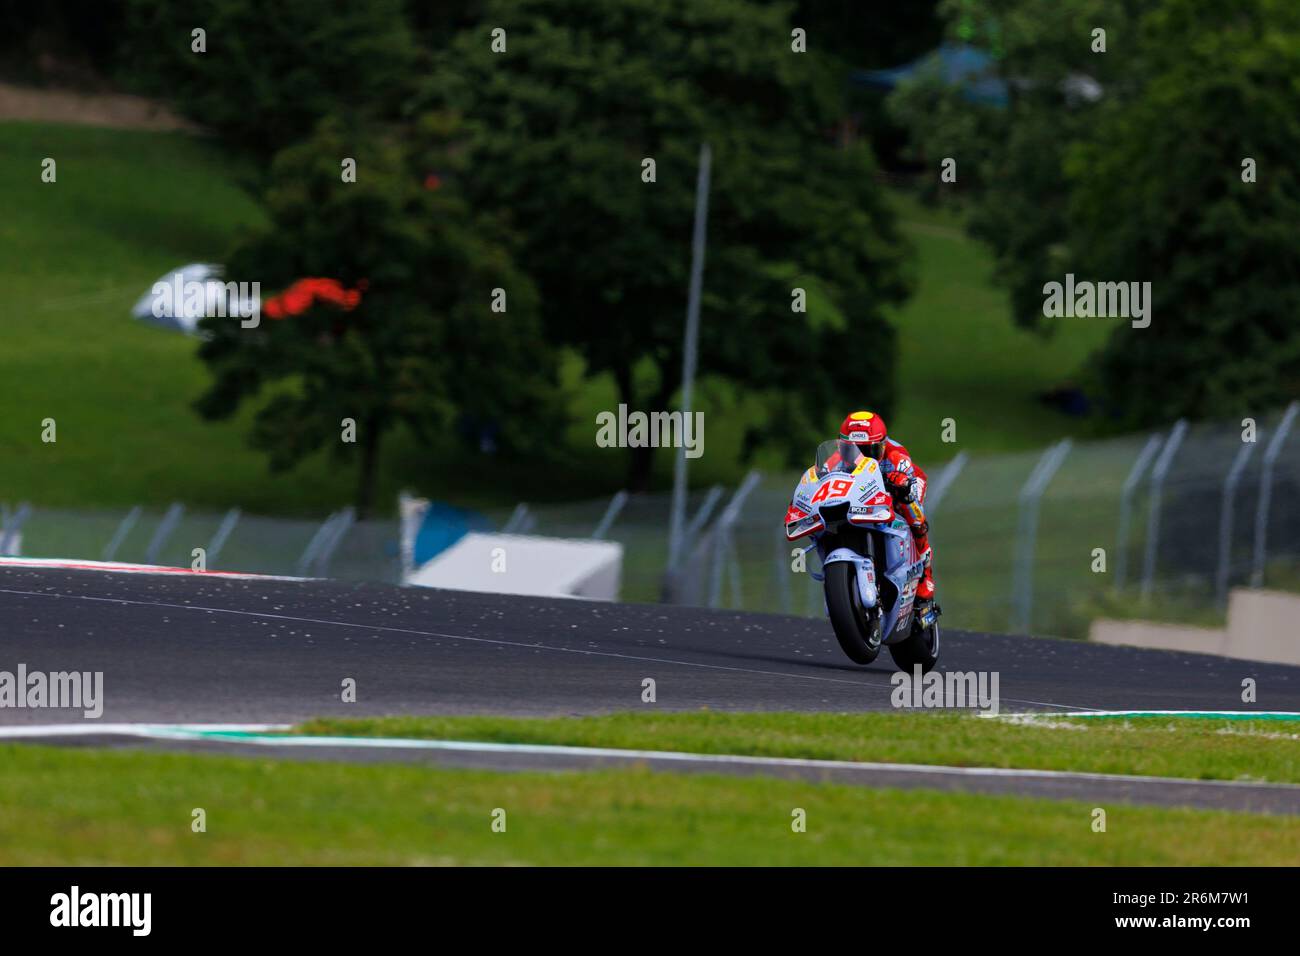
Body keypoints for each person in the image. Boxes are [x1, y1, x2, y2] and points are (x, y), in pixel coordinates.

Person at [835, 410, 937, 610]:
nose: (860, 459)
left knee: (910, 509)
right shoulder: (836, 461)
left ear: (882, 445)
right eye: (852, 451)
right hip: (862, 494)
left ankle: (925, 573)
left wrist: (900, 484)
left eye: (867, 452)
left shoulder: (897, 457)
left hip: (906, 483)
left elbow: (907, 484)